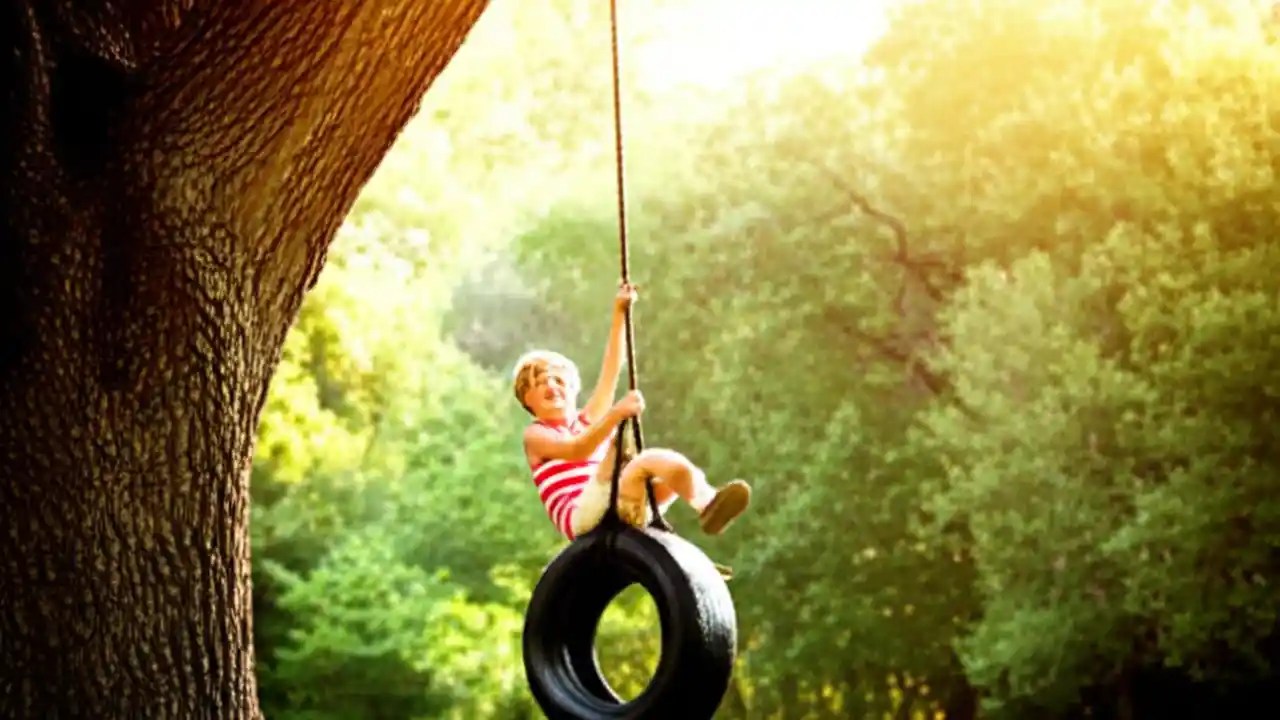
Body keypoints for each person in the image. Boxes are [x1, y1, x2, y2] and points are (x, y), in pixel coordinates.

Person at [513, 282, 751, 541]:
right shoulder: (536, 435)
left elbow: (612, 368)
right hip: (582, 515)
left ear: (573, 389)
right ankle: (684, 494)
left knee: (671, 467)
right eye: (539, 383)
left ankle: (707, 504)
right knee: (644, 461)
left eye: (558, 381)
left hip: (615, 502)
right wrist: (616, 414)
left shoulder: (586, 421)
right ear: (527, 399)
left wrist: (619, 313)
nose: (550, 385)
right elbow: (576, 450)